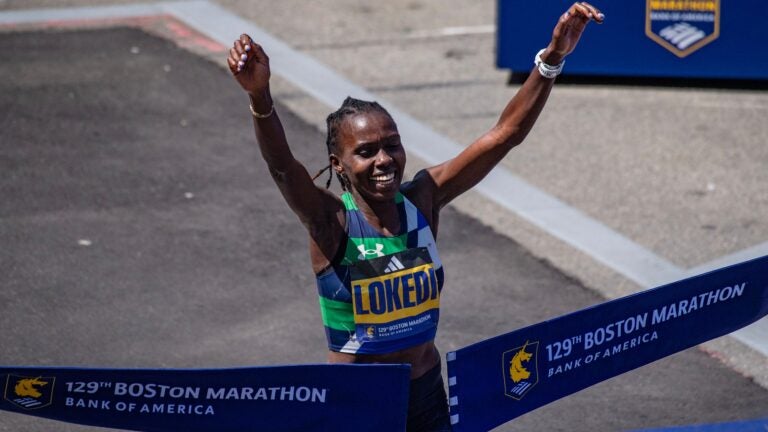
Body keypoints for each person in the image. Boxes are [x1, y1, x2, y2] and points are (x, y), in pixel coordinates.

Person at [227, 3, 603, 430]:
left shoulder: (423, 198)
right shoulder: (330, 221)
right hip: (358, 404)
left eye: (392, 145)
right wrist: (259, 97)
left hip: (425, 394)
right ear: (338, 164)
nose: (384, 160)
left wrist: (551, 60)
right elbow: (283, 168)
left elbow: (505, 135)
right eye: (366, 152)